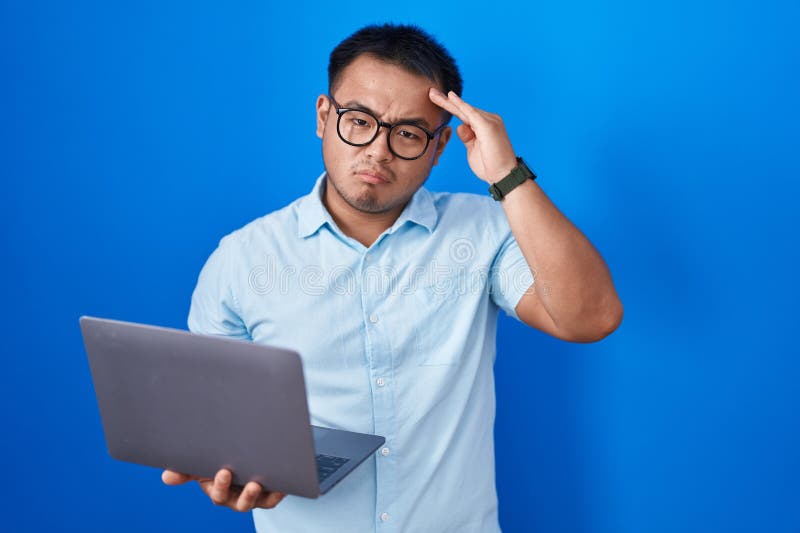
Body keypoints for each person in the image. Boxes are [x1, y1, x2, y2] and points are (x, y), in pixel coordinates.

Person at [162, 23, 623, 532]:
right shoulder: (241, 260)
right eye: (359, 121)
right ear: (323, 116)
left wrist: (506, 174)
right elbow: (219, 428)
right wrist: (229, 471)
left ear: (440, 144)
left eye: (408, 133)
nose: (378, 151)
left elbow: (592, 317)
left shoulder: (486, 230)